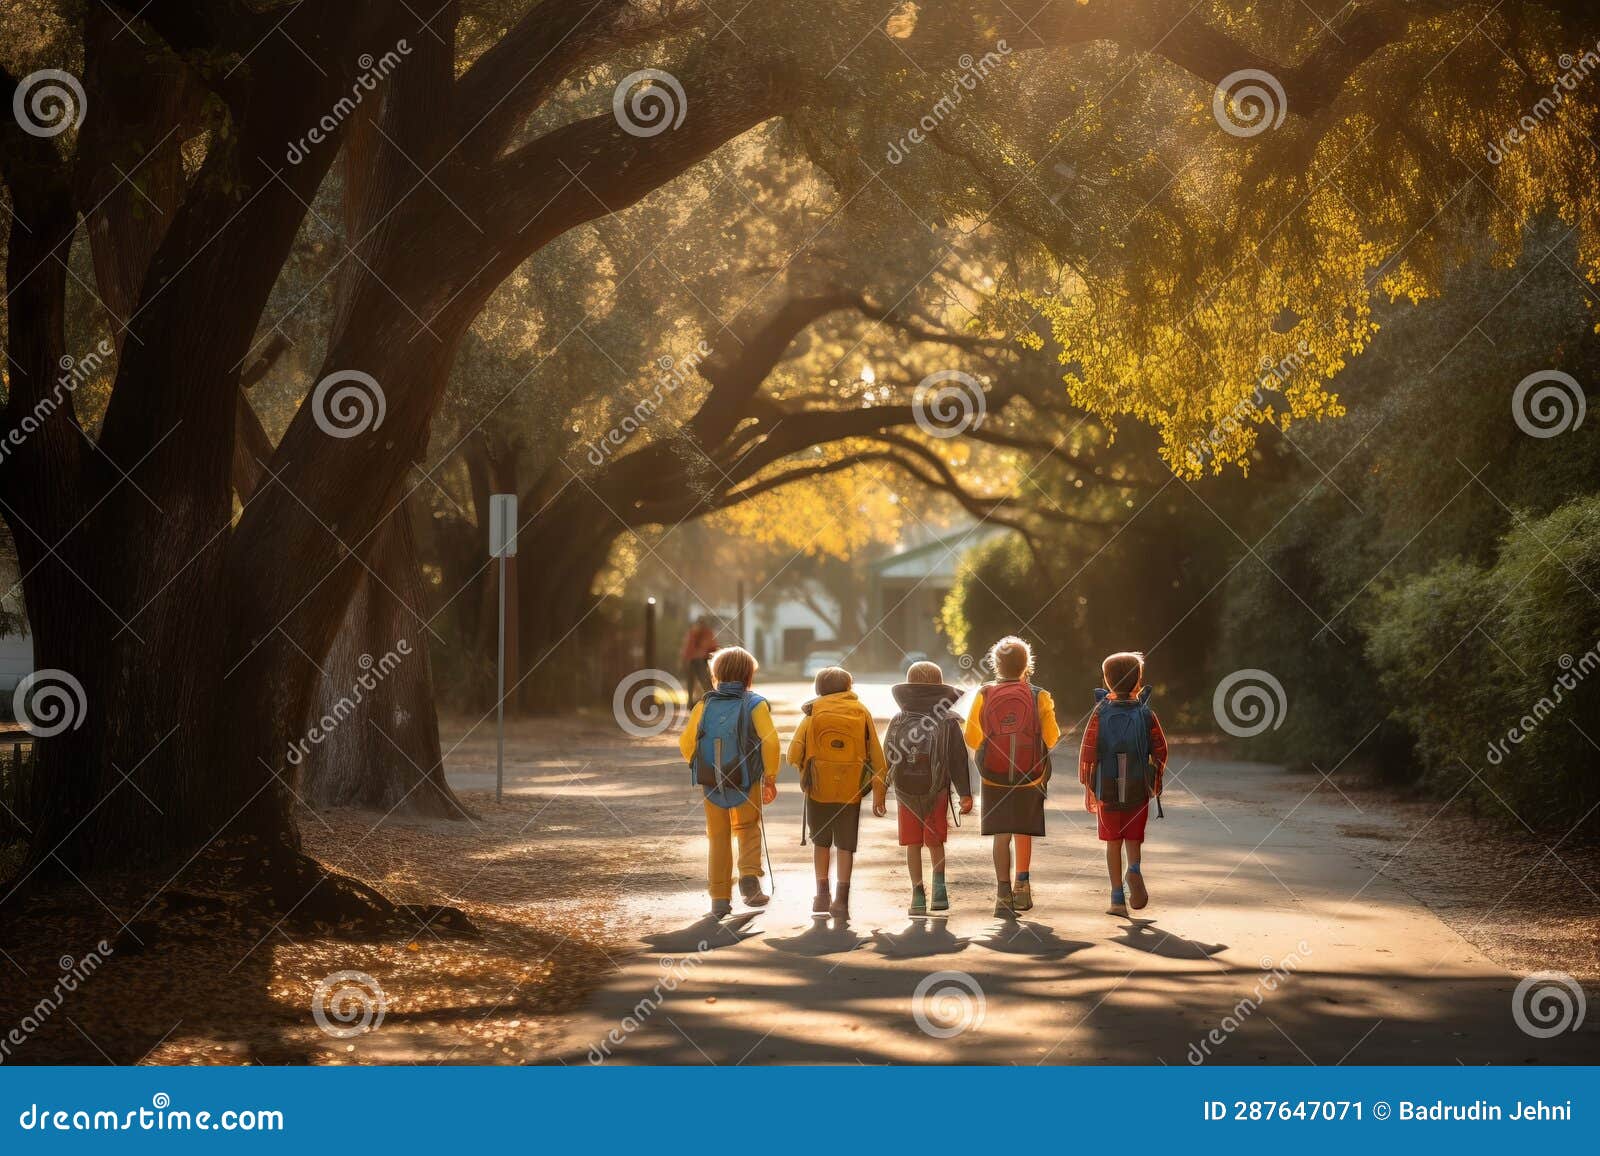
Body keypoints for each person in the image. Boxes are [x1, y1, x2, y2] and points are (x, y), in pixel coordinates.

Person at [678, 646, 778, 918]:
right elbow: (770, 741)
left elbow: (686, 743)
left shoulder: (704, 704)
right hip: (746, 781)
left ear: (715, 675)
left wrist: (703, 768)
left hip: (711, 783)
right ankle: (748, 878)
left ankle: (719, 897)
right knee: (747, 827)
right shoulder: (755, 703)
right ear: (748, 677)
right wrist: (770, 776)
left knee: (718, 836)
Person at [965, 636, 1060, 918]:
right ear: (1027, 665)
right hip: (1029, 776)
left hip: (994, 777)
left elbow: (971, 736)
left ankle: (1002, 893)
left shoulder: (984, 694)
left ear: (996, 664)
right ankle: (1023, 886)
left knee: (1001, 835)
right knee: (1023, 831)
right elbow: (1051, 737)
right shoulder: (1038, 695)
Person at [787, 665, 887, 921]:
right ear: (848, 688)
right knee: (845, 846)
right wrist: (878, 793)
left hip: (818, 790)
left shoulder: (812, 712)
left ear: (819, 689)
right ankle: (842, 900)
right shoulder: (861, 712)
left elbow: (792, 754)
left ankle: (822, 895)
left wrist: (806, 766)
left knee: (821, 843)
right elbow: (877, 757)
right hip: (850, 793)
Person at [1078, 651, 1167, 916]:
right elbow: (1161, 748)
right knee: (1133, 839)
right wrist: (1155, 778)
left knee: (1112, 843)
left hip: (1107, 787)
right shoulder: (1146, 713)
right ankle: (1135, 870)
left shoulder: (1099, 713)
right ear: (1138, 681)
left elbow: (1088, 751)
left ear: (1107, 681)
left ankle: (1117, 899)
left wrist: (1088, 785)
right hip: (1137, 787)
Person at [885, 660, 974, 916]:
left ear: (909, 687)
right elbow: (958, 761)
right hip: (938, 791)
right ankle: (939, 890)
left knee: (912, 844)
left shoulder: (899, 720)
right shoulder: (948, 722)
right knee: (935, 842)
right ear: (940, 687)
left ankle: (917, 894)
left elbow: (888, 757)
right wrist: (965, 794)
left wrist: (880, 789)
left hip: (905, 793)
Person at [680, 617, 718, 705]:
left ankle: (710, 699)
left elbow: (712, 647)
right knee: (693, 681)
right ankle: (691, 701)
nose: (700, 626)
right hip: (694, 661)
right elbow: (688, 648)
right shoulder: (693, 633)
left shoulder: (707, 633)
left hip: (702, 661)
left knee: (704, 680)